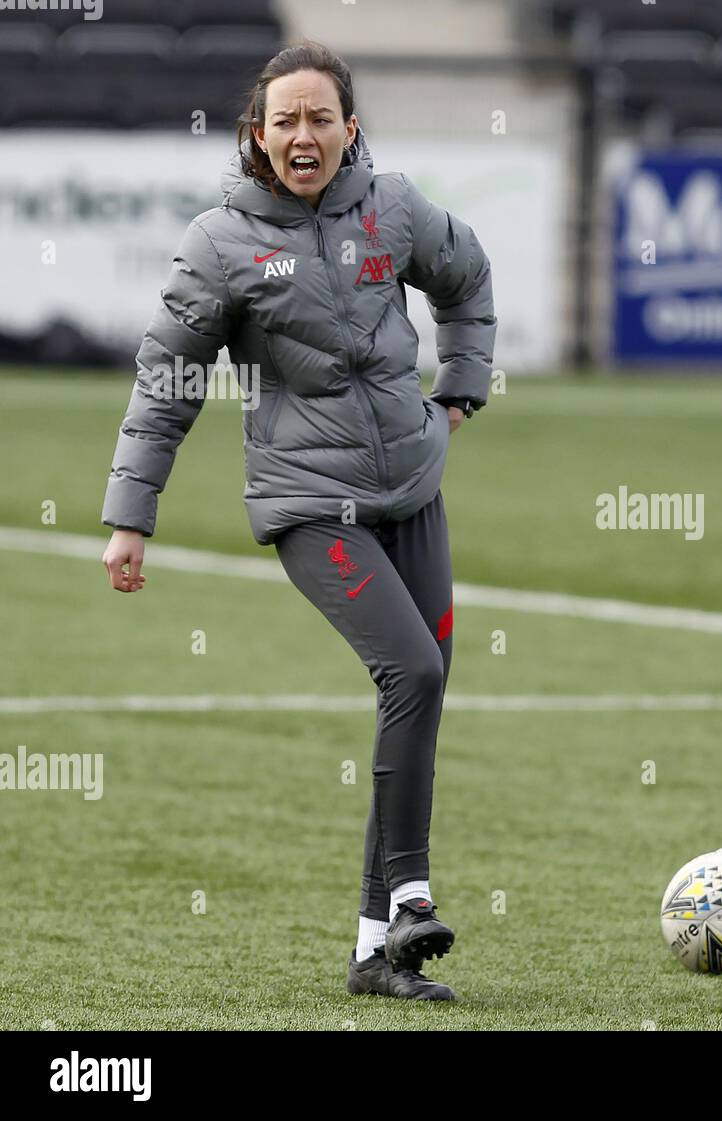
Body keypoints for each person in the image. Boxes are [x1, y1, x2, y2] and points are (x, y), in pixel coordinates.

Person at [99, 40, 496, 1002]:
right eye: (286, 121)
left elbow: (467, 276)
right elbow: (167, 383)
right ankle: (411, 897)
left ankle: (374, 956)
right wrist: (130, 516)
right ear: (259, 135)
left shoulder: (394, 208)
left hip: (412, 491)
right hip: (311, 507)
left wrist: (459, 390)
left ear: (349, 128)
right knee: (414, 668)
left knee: (419, 693)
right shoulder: (221, 243)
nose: (303, 134)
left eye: (321, 117)